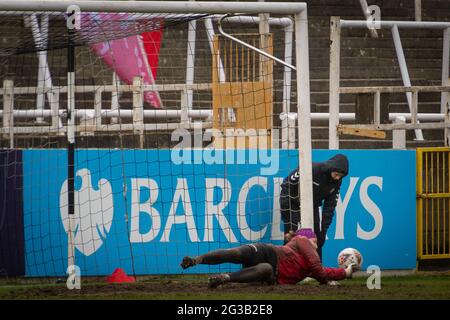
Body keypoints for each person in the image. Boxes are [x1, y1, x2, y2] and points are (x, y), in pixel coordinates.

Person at [180, 229, 357, 288]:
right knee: (237, 253)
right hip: (267, 251)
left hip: (273, 273)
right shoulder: (303, 241)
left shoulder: (310, 265)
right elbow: (320, 270)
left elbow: (323, 274)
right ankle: (196, 260)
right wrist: (344, 273)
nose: (316, 243)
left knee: (265, 269)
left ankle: (224, 278)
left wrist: (345, 272)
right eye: (315, 240)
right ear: (309, 238)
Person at [280, 154, 349, 259]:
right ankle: (284, 267)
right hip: (293, 204)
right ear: (331, 168)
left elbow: (330, 206)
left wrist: (324, 231)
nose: (337, 177)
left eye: (340, 176)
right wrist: (286, 216)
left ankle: (316, 271)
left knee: (317, 240)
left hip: (312, 206)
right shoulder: (312, 168)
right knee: (290, 238)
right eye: (336, 174)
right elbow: (287, 184)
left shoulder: (337, 181)